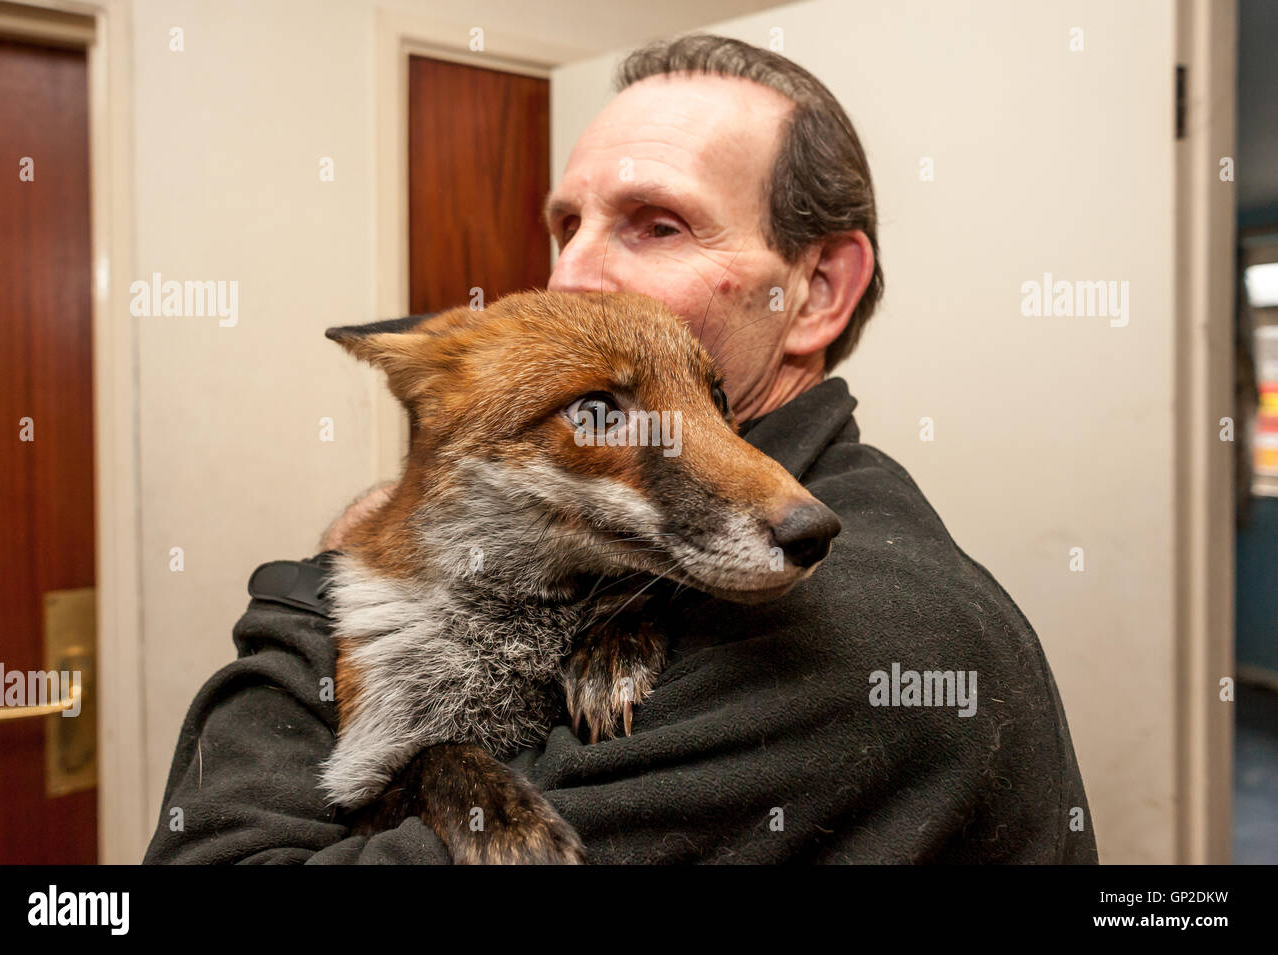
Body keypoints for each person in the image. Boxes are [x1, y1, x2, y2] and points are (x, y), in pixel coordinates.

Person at [144, 34, 1097, 864]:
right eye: (567, 223)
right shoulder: (644, 533)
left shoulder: (845, 634)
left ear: (815, 292)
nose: (570, 275)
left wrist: (320, 583)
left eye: (657, 224)